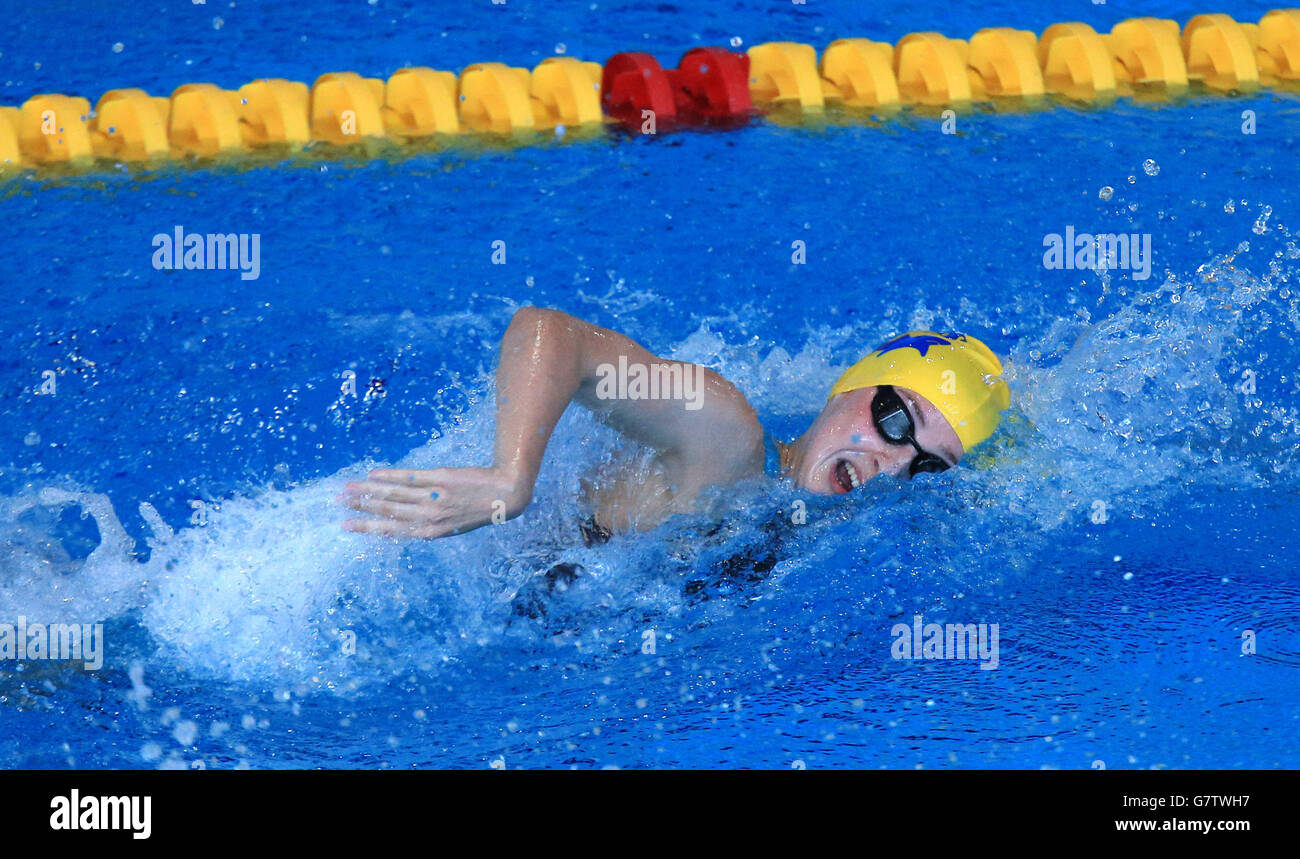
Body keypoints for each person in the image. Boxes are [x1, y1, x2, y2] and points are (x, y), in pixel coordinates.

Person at [338, 307, 1010, 540]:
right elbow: (550, 333)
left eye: (927, 465)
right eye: (896, 418)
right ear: (849, 389)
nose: (892, 461)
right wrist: (509, 478)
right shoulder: (727, 436)